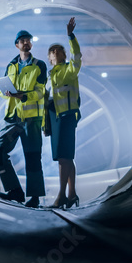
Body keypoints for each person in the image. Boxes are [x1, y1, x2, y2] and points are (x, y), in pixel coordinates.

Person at [0, 29, 48, 207]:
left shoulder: (39, 66)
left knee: (32, 157)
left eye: (28, 40)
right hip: (13, 118)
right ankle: (15, 191)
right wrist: (6, 93)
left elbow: (40, 92)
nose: (26, 42)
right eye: (22, 40)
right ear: (17, 45)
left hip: (31, 119)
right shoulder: (11, 66)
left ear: (31, 44)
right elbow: (2, 93)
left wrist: (22, 96)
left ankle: (35, 197)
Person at [47, 17, 82, 209]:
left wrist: (70, 36)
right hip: (56, 119)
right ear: (49, 58)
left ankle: (61, 196)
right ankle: (72, 194)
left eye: (59, 50)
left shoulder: (70, 70)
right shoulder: (49, 77)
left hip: (67, 116)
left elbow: (77, 56)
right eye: (52, 51)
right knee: (67, 156)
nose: (56, 51)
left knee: (63, 157)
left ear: (64, 55)